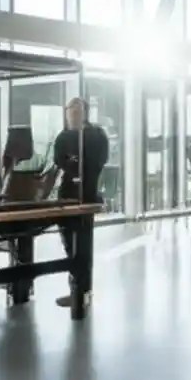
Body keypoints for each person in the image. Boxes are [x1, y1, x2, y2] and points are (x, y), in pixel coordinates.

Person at [51, 97, 110, 308]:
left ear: (85, 112)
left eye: (76, 111)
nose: (72, 114)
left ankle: (82, 289)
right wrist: (73, 163)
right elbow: (60, 160)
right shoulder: (64, 136)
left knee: (83, 242)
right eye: (69, 111)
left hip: (86, 194)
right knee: (69, 241)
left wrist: (76, 162)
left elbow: (96, 162)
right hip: (67, 193)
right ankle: (77, 287)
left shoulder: (96, 135)